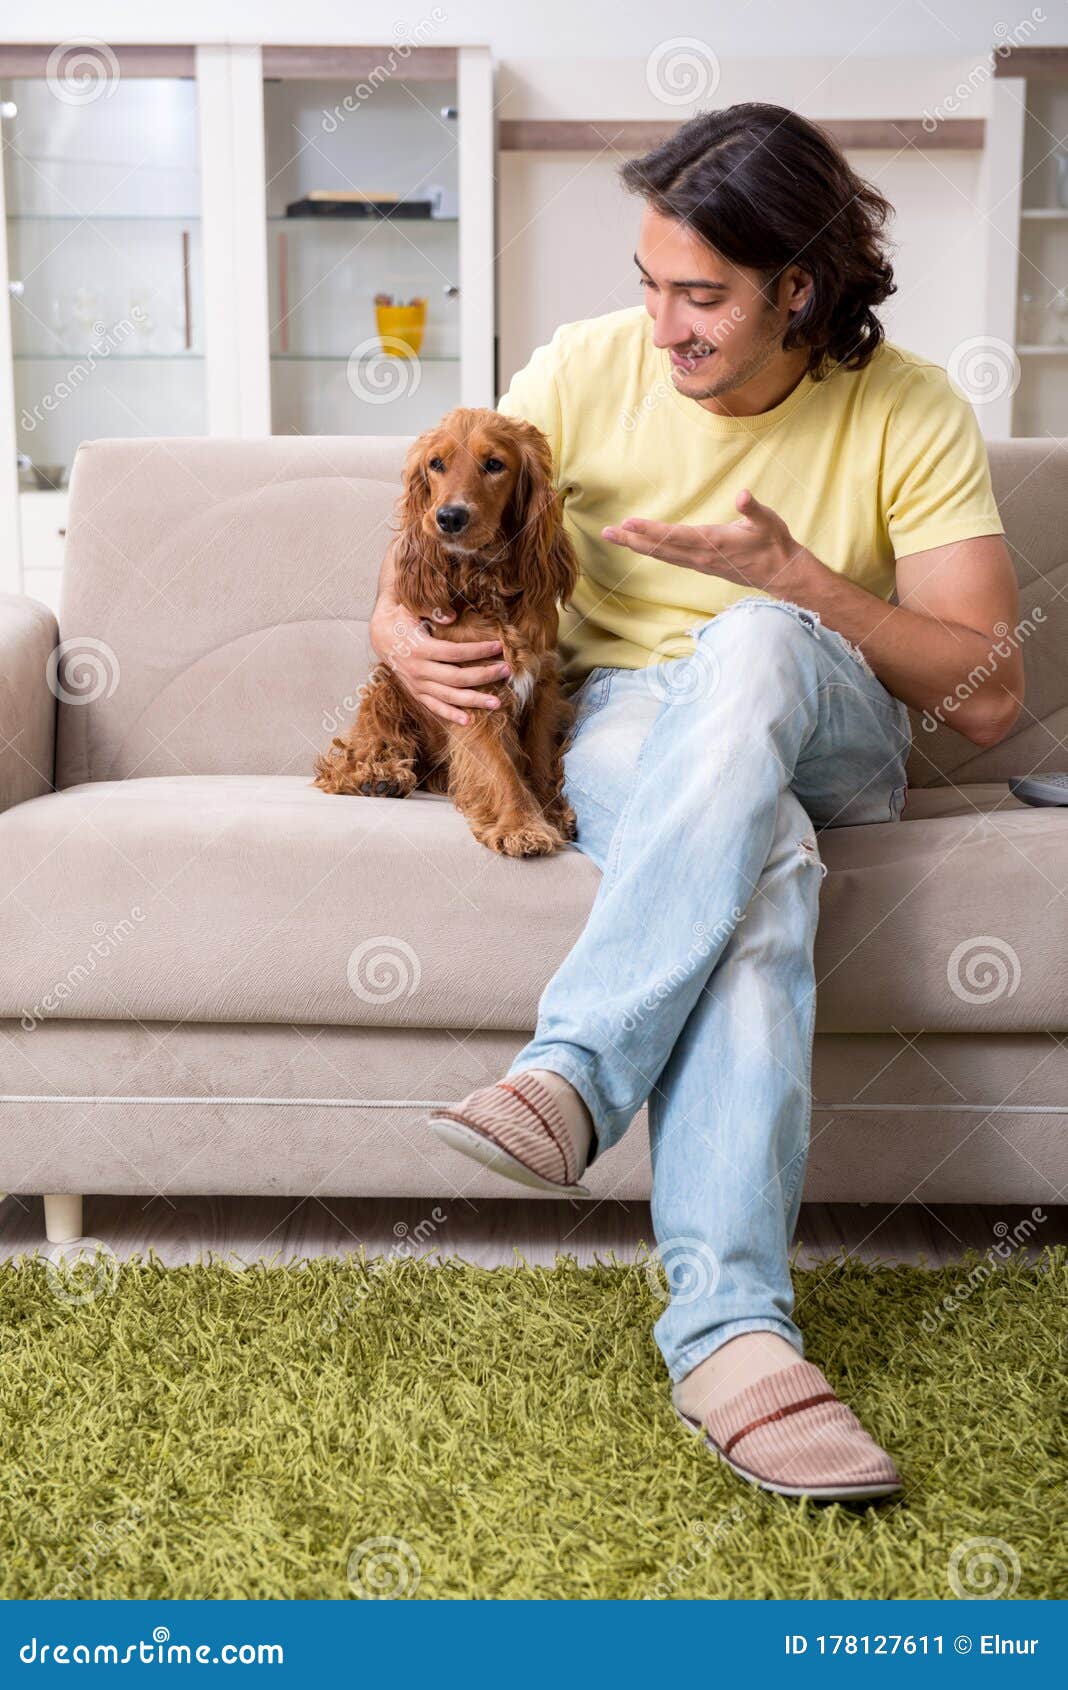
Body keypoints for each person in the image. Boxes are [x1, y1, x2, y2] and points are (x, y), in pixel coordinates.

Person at [372, 104, 1022, 1500]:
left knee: (754, 642)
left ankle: (575, 1070)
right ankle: (732, 1337)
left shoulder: (907, 407)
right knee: (762, 858)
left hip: (824, 714)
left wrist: (796, 582)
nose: (662, 326)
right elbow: (439, 512)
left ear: (800, 287)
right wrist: (392, 632)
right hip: (627, 728)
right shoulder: (587, 370)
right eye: (650, 282)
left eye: (703, 295)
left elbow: (985, 694)